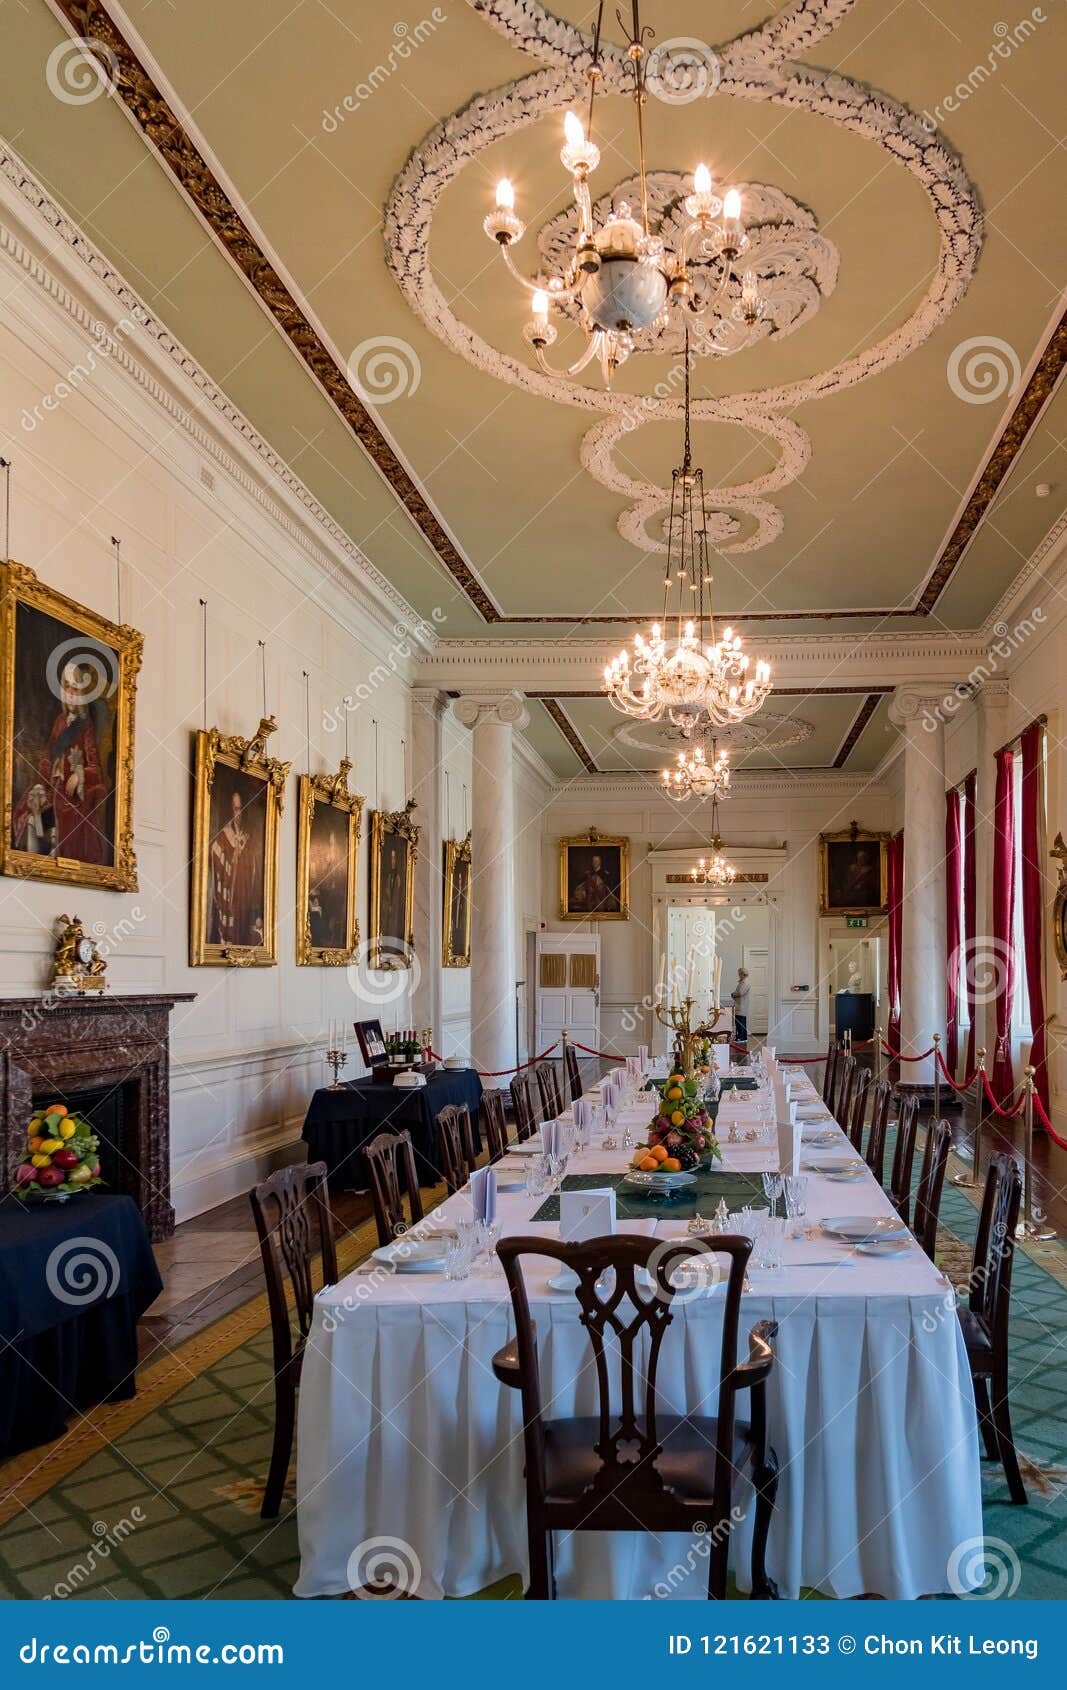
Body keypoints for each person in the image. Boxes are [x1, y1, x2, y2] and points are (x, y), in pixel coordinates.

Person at [12, 663, 108, 862]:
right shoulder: (60, 721)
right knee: (29, 812)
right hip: (52, 789)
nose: (71, 693)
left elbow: (95, 768)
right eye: (67, 688)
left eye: (75, 688)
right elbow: (48, 757)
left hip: (71, 796)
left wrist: (79, 775)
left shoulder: (86, 726)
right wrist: (39, 783)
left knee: (62, 818)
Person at [209, 786, 261, 947]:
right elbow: (214, 854)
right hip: (231, 898)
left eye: (242, 808)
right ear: (231, 810)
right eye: (236, 808)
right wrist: (232, 859)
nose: (239, 813)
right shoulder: (224, 837)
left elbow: (256, 875)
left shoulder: (249, 839)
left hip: (245, 898)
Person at [731, 966, 750, 1044]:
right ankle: (742, 1036)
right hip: (739, 1005)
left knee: (740, 1022)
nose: (739, 975)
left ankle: (741, 1037)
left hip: (741, 1005)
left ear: (743, 974)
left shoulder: (745, 982)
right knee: (740, 1021)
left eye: (740, 974)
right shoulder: (742, 982)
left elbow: (740, 993)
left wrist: (733, 994)